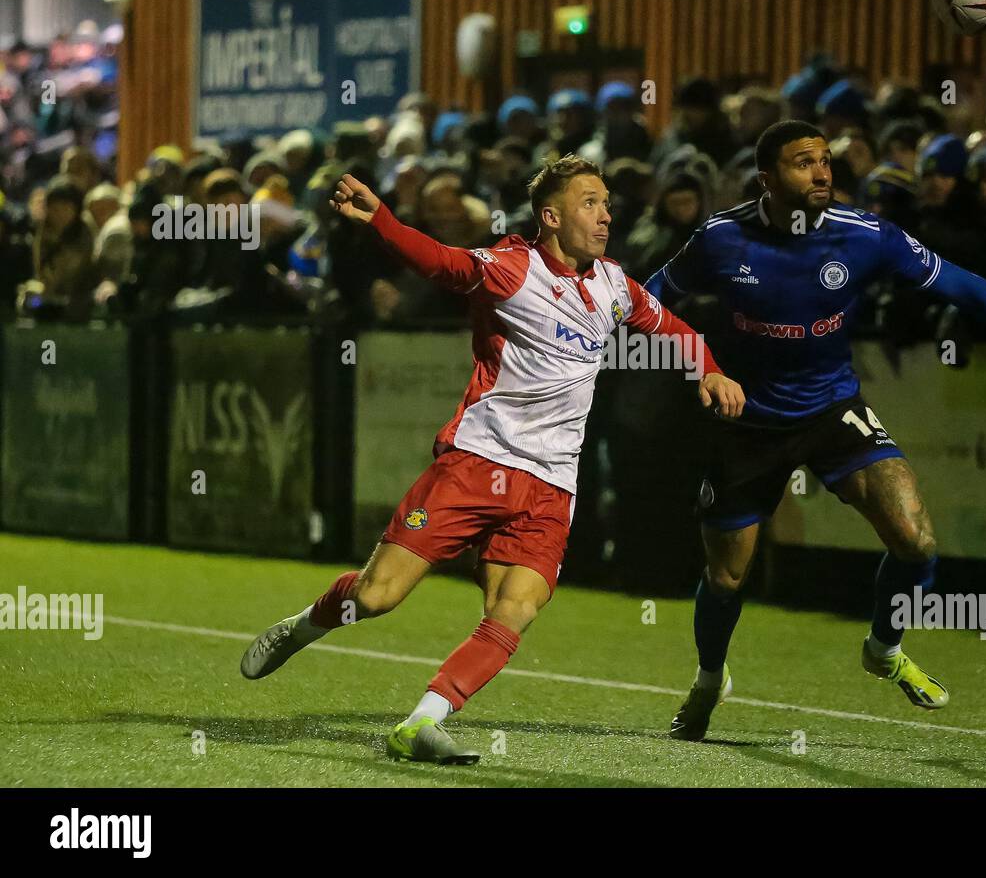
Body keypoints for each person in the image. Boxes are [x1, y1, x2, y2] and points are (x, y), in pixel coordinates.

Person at [239, 156, 746, 764]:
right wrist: (384, 222)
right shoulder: (513, 268)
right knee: (375, 598)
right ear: (551, 216)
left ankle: (423, 720)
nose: (606, 213)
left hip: (552, 484)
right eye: (590, 202)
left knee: (518, 607)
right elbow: (443, 262)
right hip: (477, 462)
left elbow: (672, 327)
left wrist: (709, 368)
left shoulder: (614, 285)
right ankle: (303, 628)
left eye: (607, 202)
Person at [644, 121, 986, 741]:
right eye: (803, 163)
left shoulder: (863, 236)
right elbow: (647, 301)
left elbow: (962, 284)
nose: (822, 172)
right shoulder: (721, 239)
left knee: (915, 541)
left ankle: (884, 650)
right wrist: (697, 363)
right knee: (727, 576)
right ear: (766, 179)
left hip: (833, 410)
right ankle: (708, 679)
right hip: (748, 423)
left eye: (826, 161)